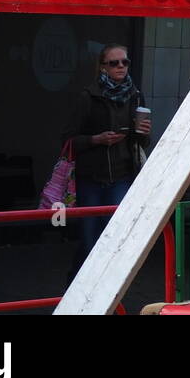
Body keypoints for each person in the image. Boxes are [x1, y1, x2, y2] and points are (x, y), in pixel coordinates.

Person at [61, 44, 150, 272]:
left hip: (121, 176)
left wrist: (143, 132)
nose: (121, 66)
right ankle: (77, 290)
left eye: (125, 62)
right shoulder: (88, 97)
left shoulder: (135, 96)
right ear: (103, 68)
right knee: (89, 240)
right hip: (91, 178)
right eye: (114, 63)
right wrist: (96, 139)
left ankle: (106, 296)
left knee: (113, 240)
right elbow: (68, 139)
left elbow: (142, 143)